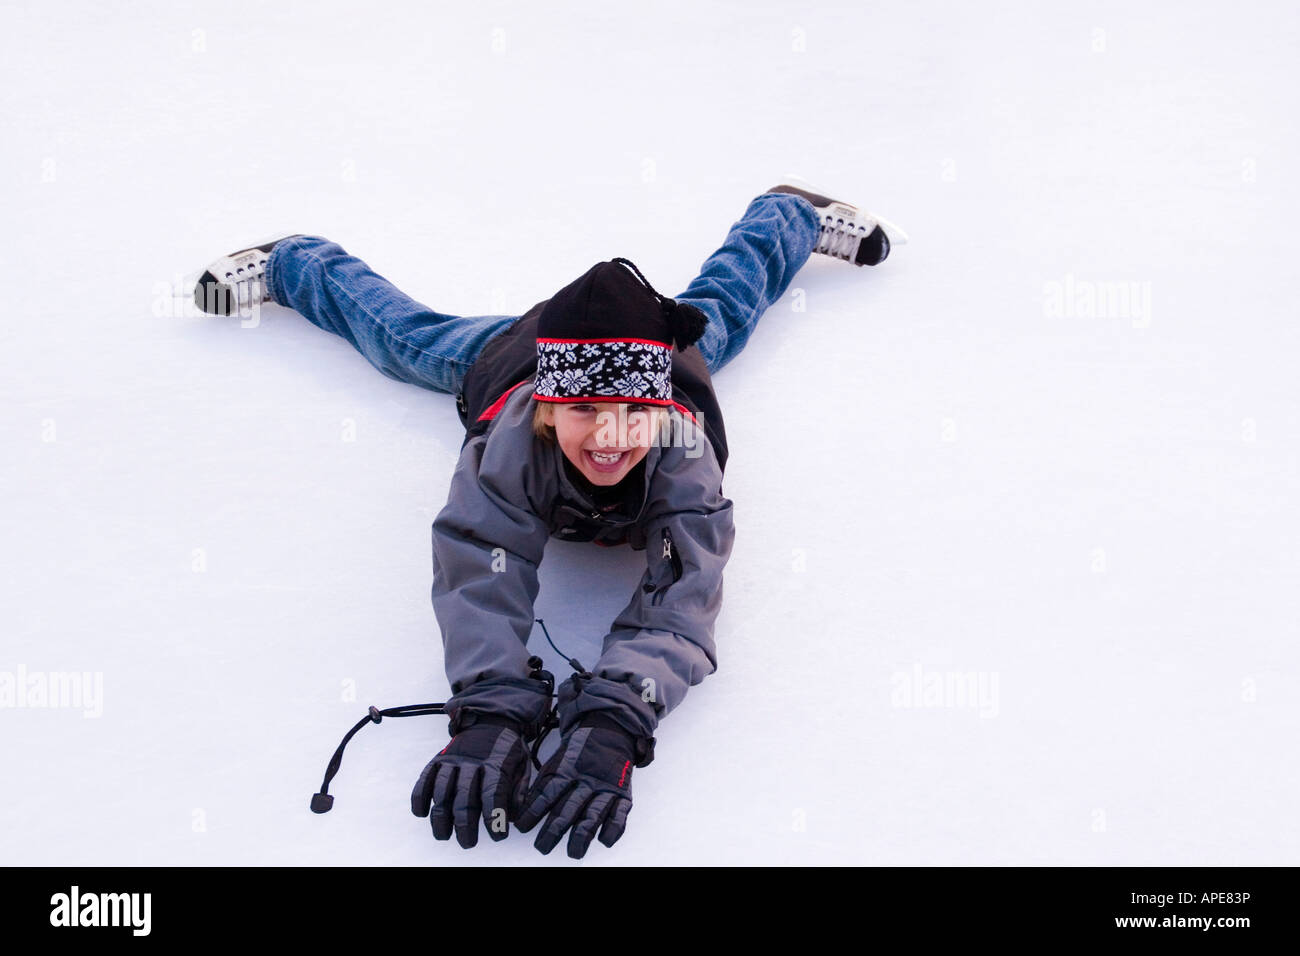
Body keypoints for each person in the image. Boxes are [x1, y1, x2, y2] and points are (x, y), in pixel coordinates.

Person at [193, 179, 904, 858]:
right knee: (403, 338)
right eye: (585, 411)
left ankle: (786, 213)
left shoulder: (682, 457)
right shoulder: (509, 442)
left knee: (726, 305)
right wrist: (493, 697)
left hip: (666, 347)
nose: (611, 435)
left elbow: (681, 600)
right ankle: (297, 263)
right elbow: (480, 555)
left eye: (634, 413)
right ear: (548, 407)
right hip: (512, 347)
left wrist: (616, 717)